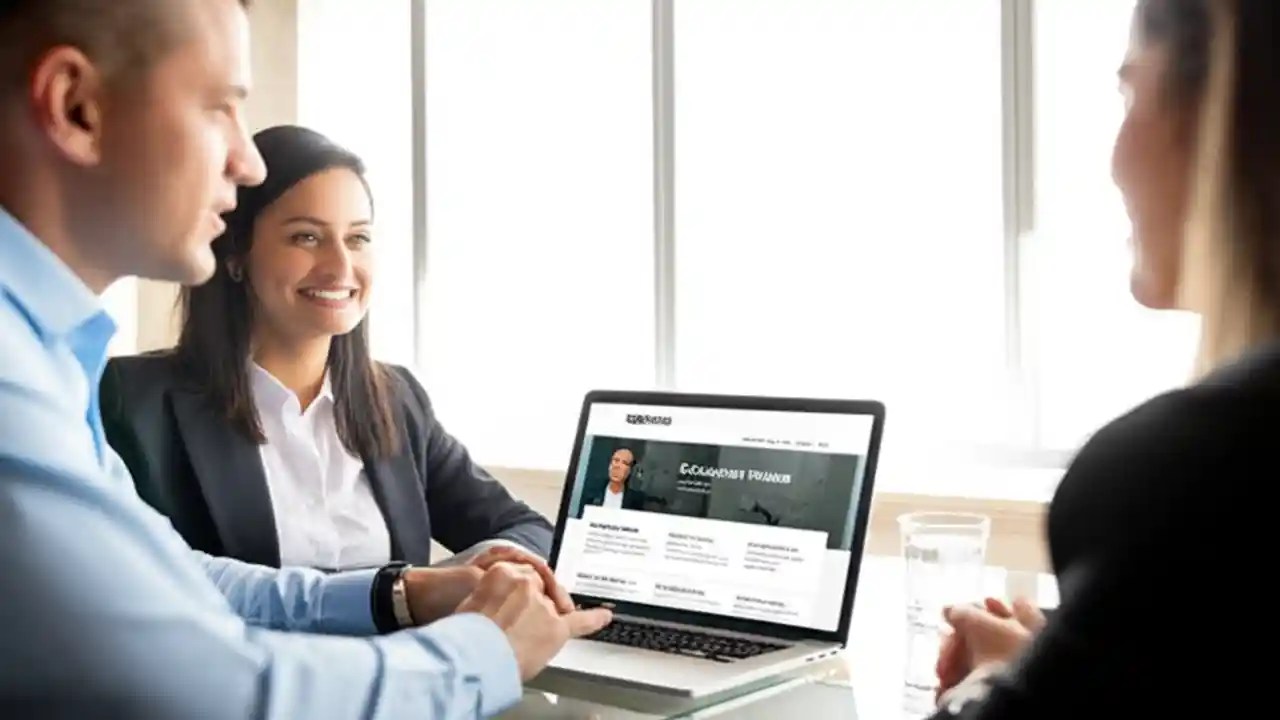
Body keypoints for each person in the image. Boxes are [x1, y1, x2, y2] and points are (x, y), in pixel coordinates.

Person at [0, 1, 610, 717]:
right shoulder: (63, 386)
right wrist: (487, 653)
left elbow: (180, 580)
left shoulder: (50, 360)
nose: (245, 159)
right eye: (218, 107)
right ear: (76, 106)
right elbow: (203, 686)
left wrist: (403, 590)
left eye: (358, 237)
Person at [929, 0, 1272, 716]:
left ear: (1218, 113)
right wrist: (1060, 667)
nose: (1114, 162)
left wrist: (993, 684)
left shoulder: (1187, 474)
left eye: (1130, 93)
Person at [99, 124, 554, 572]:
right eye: (307, 237)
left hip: (404, 649)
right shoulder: (132, 401)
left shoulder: (396, 399)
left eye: (358, 238)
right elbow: (144, 588)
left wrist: (440, 587)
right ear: (236, 254)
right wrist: (403, 597)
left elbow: (529, 532)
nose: (341, 267)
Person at [582, 446, 649, 510]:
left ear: (630, 470)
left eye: (624, 463)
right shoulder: (592, 491)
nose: (617, 466)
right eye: (616, 460)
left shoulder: (635, 501)